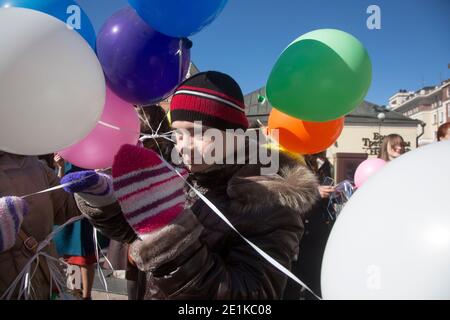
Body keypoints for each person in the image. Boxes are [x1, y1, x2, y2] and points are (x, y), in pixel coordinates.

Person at [64, 71, 319, 299]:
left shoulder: (270, 199)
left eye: (198, 133)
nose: (183, 146)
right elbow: (137, 234)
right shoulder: (187, 177)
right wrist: (105, 200)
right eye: (177, 134)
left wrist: (170, 245)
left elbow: (252, 296)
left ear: (233, 134)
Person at [0, 151, 120, 299]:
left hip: (47, 281)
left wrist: (98, 190)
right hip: (8, 286)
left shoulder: (33, 164)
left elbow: (65, 205)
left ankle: (83, 294)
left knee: (81, 259)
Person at [283, 151, 335, 300]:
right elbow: (283, 192)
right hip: (295, 230)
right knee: (291, 283)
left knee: (315, 280)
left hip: (317, 230)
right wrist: (314, 192)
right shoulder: (288, 157)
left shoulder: (324, 163)